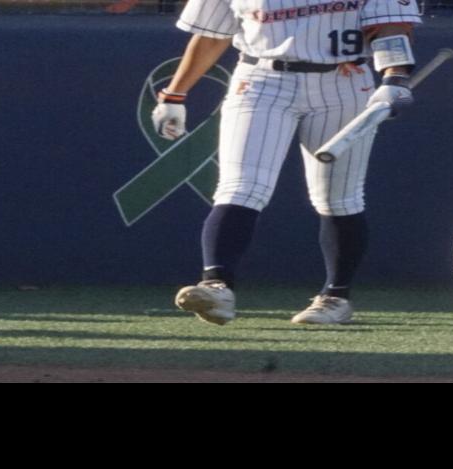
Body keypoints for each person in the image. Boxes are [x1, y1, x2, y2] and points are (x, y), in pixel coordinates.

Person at [152, 0, 423, 326]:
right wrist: (175, 94)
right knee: (241, 187)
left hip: (343, 78)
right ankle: (216, 285)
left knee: (338, 196)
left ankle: (336, 297)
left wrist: (394, 76)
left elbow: (391, 24)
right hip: (260, 79)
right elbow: (212, 34)